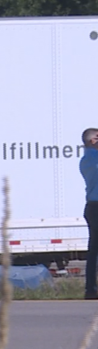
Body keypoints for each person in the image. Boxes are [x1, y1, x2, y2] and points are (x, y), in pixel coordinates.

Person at [80, 128, 98, 299]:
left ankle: (91, 288)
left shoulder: (86, 159)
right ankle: (91, 288)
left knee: (94, 250)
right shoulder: (93, 159)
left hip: (92, 206)